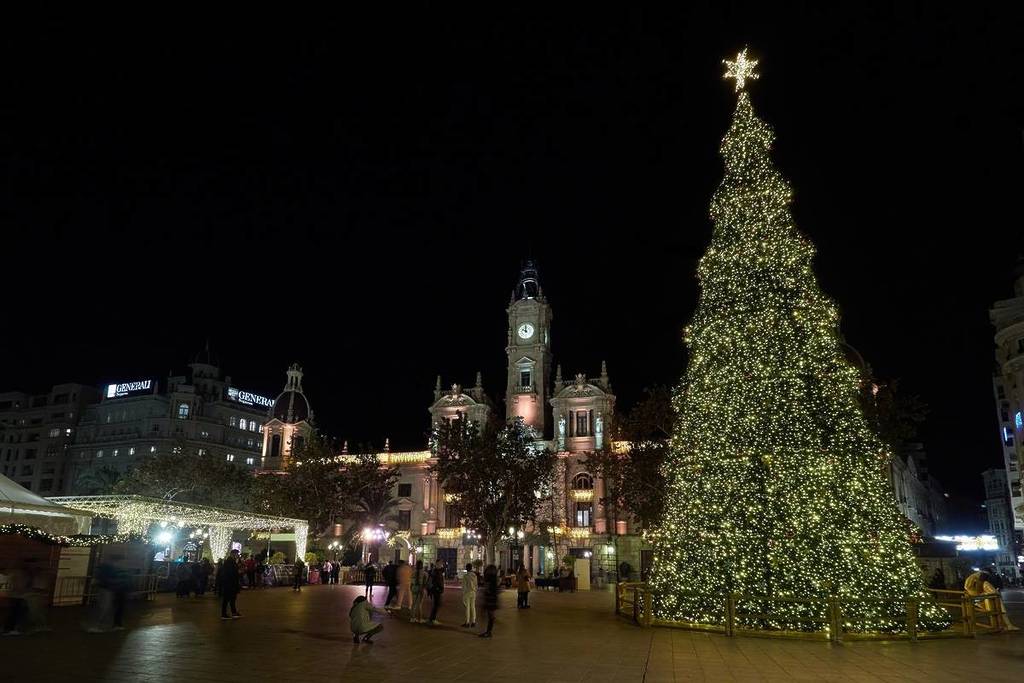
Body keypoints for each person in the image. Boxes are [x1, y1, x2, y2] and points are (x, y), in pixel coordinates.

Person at [220, 550, 242, 620]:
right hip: (229, 583)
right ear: (233, 554)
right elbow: (231, 573)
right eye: (236, 554)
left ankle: (234, 612)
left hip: (231, 583)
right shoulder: (229, 562)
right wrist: (238, 572)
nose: (237, 555)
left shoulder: (231, 561)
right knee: (227, 599)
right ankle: (224, 614)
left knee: (232, 598)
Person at [479, 564, 499, 638]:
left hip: (490, 599)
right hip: (493, 599)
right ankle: (488, 631)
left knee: (490, 616)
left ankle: (488, 632)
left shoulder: (489, 578)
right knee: (491, 616)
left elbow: (487, 589)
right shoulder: (494, 578)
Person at [427, 559, 445, 624]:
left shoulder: (438, 571)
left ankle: (432, 618)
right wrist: (438, 588)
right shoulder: (435, 571)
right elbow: (436, 581)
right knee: (436, 604)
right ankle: (432, 619)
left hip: (437, 589)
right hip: (436, 590)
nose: (441, 565)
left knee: (437, 604)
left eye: (442, 563)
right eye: (440, 563)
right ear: (437, 563)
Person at [461, 563, 478, 628]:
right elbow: (476, 585)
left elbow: (464, 586)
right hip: (473, 592)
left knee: (467, 608)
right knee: (473, 607)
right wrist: (475, 590)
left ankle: (467, 622)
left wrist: (463, 593)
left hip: (467, 592)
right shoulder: (474, 575)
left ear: (467, 568)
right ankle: (473, 622)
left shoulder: (465, 576)